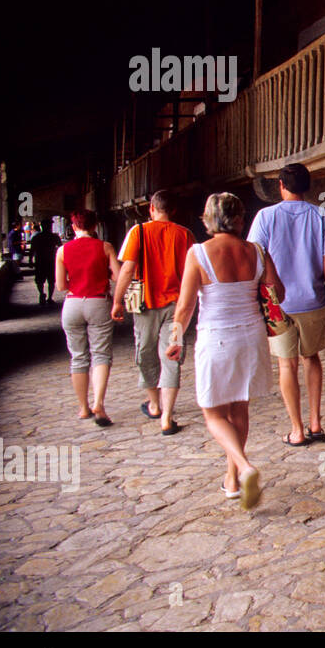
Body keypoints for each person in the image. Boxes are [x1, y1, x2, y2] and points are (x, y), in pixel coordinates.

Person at [167, 193, 281, 509]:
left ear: (208, 218)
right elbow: (277, 292)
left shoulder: (198, 253)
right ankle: (232, 480)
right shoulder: (256, 251)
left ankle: (244, 467)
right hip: (252, 336)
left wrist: (175, 339)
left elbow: (185, 305)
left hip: (216, 338)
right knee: (239, 408)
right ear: (240, 218)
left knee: (213, 412)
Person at [246, 163, 325, 446]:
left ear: (280, 185)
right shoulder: (321, 215)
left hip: (277, 303)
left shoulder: (265, 216)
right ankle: (316, 423)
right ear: (307, 186)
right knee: (311, 358)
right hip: (313, 298)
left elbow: (256, 257)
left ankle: (297, 430)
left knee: (286, 365)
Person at [110, 190, 194, 435]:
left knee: (145, 352)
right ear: (174, 210)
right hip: (178, 306)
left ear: (151, 209)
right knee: (172, 356)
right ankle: (167, 417)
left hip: (145, 305)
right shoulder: (185, 234)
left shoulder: (138, 232)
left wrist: (117, 301)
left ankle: (155, 404)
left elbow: (127, 270)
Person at [56, 210, 120, 426]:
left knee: (78, 357)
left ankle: (83, 408)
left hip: (72, 303)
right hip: (97, 302)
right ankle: (98, 403)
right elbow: (118, 276)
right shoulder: (105, 247)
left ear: (73, 227)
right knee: (101, 355)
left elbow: (61, 286)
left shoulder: (62, 251)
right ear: (95, 227)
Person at [28, 218, 60, 304]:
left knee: (40, 280)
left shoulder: (37, 237)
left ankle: (42, 294)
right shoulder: (54, 237)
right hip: (50, 261)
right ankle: (49, 297)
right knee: (51, 281)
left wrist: (30, 260)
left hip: (40, 261)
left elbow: (32, 250)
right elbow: (61, 249)